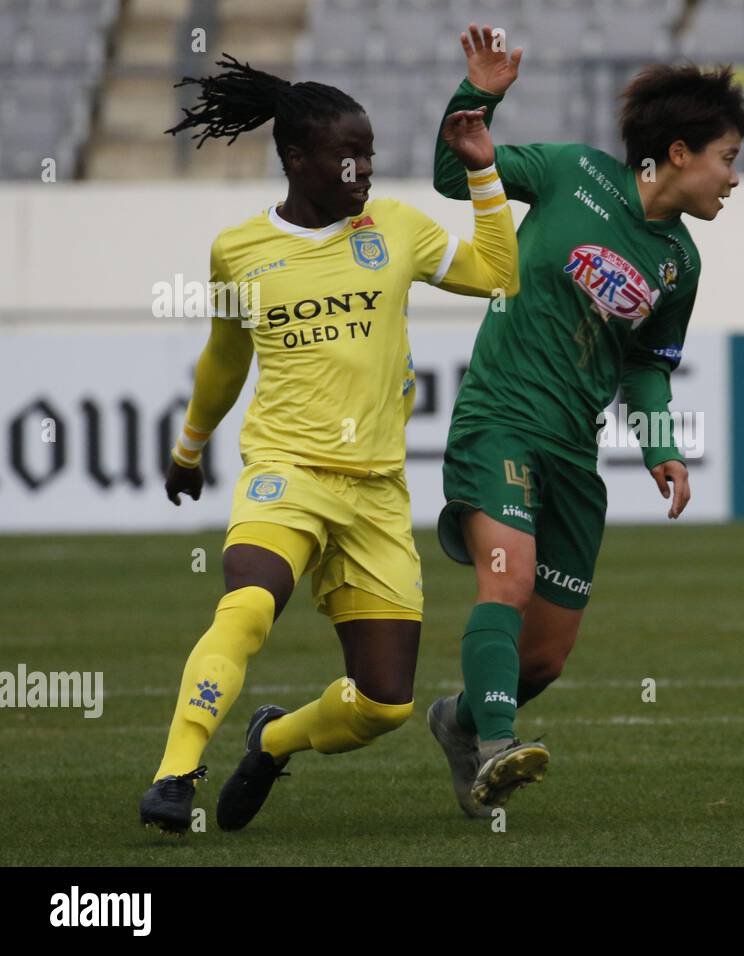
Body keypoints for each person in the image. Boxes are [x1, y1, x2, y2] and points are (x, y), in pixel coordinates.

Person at [138, 54, 519, 835]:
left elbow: (497, 274)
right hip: (286, 472)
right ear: (297, 158)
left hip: (376, 493)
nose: (364, 170)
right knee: (247, 607)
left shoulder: (398, 229)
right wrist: (189, 446)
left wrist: (483, 172)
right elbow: (225, 358)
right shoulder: (239, 250)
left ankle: (272, 740)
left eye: (370, 154)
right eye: (349, 155)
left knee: (383, 705)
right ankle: (174, 775)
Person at [426, 24, 744, 817]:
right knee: (508, 579)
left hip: (575, 452)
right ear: (679, 152)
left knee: (543, 661)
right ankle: (496, 749)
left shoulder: (681, 264)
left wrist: (661, 443)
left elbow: (647, 364)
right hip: (499, 420)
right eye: (729, 158)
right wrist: (478, 98)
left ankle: (461, 722)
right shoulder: (571, 172)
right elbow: (454, 173)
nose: (734, 178)